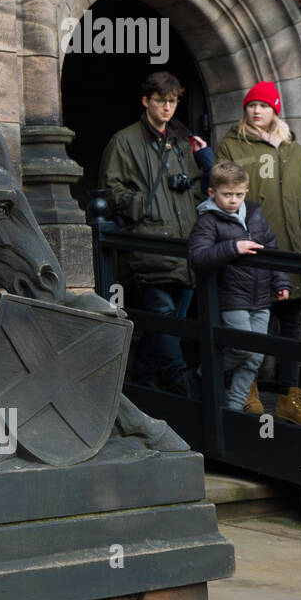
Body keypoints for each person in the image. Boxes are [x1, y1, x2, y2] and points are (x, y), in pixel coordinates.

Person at [99, 71, 214, 395]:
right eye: (161, 100)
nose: (167, 107)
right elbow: (109, 191)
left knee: (169, 324)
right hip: (149, 244)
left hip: (184, 243)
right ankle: (183, 385)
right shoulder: (125, 141)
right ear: (146, 101)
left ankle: (143, 382)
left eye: (173, 101)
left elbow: (198, 190)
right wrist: (143, 204)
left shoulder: (180, 141)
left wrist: (203, 159)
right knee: (164, 316)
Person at [215, 82, 301, 427]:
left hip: (293, 252)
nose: (257, 111)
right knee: (254, 328)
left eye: (264, 105)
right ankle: (249, 391)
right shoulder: (232, 144)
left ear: (276, 110)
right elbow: (224, 199)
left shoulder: (294, 150)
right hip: (254, 254)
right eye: (251, 105)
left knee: (292, 327)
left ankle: (291, 399)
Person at [187, 162, 290, 411]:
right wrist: (235, 247)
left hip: (261, 296)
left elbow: (271, 248)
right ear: (212, 193)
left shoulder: (254, 213)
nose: (233, 200)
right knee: (243, 349)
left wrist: (281, 281)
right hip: (231, 296)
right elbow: (198, 257)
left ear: (246, 191)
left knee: (256, 355)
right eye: (227, 194)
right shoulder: (208, 220)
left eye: (239, 194)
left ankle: (234, 406)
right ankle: (202, 374)